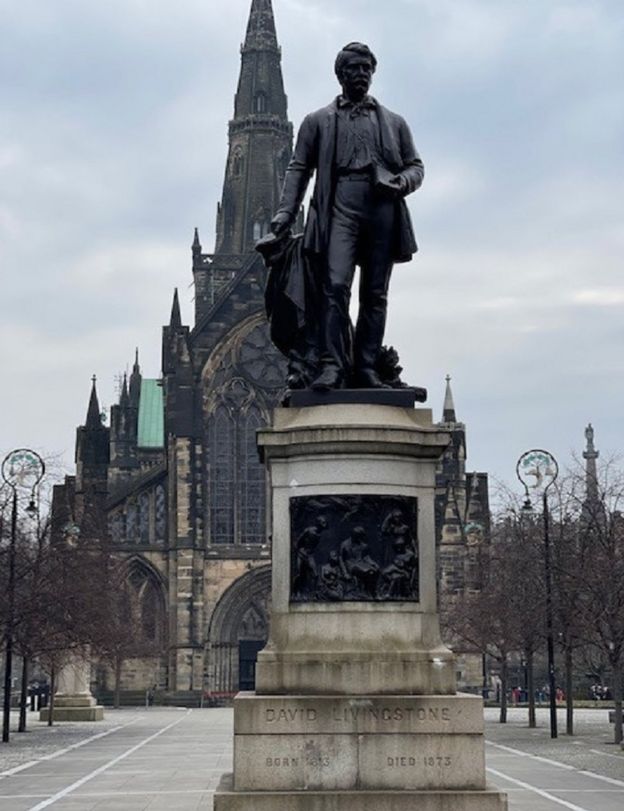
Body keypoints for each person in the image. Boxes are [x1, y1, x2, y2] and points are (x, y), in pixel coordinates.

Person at [271, 42, 424, 390]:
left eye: (366, 69)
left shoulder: (394, 123)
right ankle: (332, 365)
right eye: (354, 69)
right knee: (334, 287)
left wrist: (402, 182)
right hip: (339, 204)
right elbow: (298, 169)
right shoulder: (317, 122)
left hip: (382, 206)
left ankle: (367, 367)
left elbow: (416, 166)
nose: (361, 75)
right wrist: (284, 215)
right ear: (340, 74)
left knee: (375, 293)